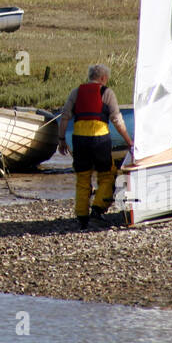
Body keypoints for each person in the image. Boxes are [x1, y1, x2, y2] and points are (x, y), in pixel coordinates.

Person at [56, 64, 134, 229]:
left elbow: (65, 117)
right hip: (100, 141)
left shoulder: (76, 92)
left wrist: (62, 139)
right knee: (108, 175)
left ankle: (82, 217)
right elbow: (117, 120)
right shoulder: (107, 93)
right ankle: (97, 211)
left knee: (83, 178)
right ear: (103, 78)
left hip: (79, 141)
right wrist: (129, 141)